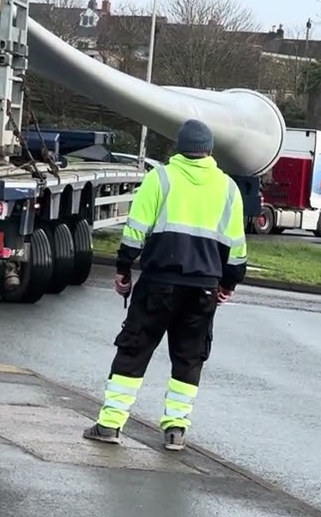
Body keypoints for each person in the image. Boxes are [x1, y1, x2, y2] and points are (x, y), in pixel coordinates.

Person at [82, 118, 247, 452]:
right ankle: (175, 430)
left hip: (158, 283)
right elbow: (237, 246)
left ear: (178, 149)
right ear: (210, 150)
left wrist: (123, 269)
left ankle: (110, 425)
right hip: (203, 288)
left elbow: (135, 228)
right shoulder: (228, 187)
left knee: (134, 350)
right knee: (188, 359)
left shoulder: (160, 178)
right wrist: (228, 284)